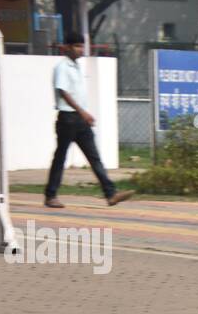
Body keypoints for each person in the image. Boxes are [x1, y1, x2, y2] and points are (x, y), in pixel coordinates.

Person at [44, 32, 133, 208]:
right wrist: (82, 112)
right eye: (76, 46)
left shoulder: (77, 66)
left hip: (80, 120)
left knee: (94, 157)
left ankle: (111, 194)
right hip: (67, 118)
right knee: (60, 158)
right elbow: (63, 92)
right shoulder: (62, 67)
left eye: (81, 46)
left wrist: (83, 115)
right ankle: (50, 195)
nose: (80, 49)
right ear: (67, 47)